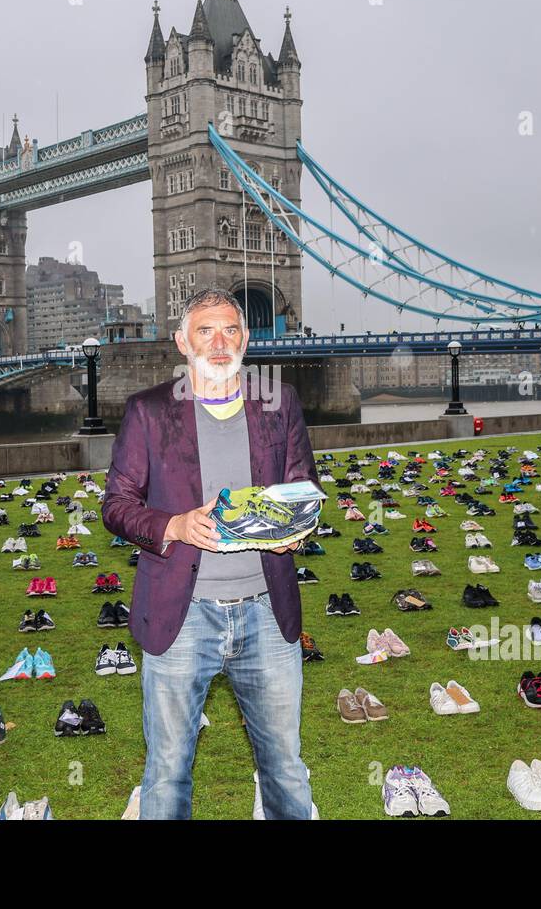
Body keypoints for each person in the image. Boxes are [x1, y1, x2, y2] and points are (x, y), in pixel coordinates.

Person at [102, 287, 318, 820]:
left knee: (285, 765)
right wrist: (172, 524)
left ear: (245, 339)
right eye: (206, 331)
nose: (219, 343)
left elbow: (301, 484)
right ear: (182, 342)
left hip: (267, 609)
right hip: (182, 612)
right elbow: (116, 504)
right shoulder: (148, 410)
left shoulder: (279, 400)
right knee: (168, 769)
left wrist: (299, 527)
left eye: (230, 331)